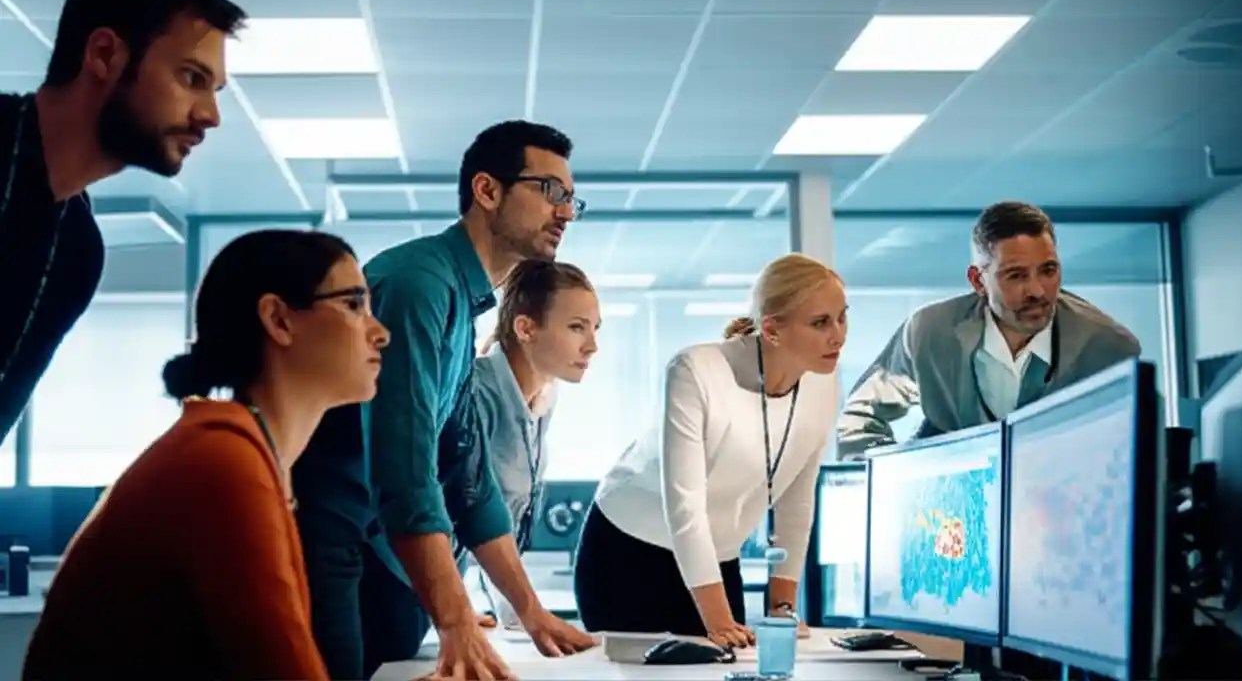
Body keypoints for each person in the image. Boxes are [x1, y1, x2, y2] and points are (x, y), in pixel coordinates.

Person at [292, 120, 597, 680]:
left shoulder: (463, 301)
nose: (567, 212)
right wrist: (453, 613)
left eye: (572, 198)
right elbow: (405, 469)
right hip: (337, 550)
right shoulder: (421, 285)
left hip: (386, 560)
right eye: (550, 191)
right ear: (487, 191)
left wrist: (531, 613)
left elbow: (464, 473)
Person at [22, 229, 389, 679]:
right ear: (279, 320)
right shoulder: (223, 462)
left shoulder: (246, 450)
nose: (380, 333)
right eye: (354, 305)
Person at [0, 0, 244, 440]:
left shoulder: (75, 253)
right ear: (105, 54)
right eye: (191, 78)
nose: (211, 115)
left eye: (214, 91)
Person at [573, 253, 848, 648]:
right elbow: (685, 506)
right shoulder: (695, 370)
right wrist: (718, 622)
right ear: (771, 330)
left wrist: (782, 609)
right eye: (821, 322)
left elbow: (796, 501)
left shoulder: (822, 379)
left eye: (842, 317)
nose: (838, 335)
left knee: (730, 664)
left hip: (717, 556)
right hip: (629, 550)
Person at [836, 200, 1141, 458]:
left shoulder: (1109, 348)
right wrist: (901, 485)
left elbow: (1124, 453)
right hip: (956, 509)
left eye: (1048, 270)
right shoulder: (929, 334)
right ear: (978, 281)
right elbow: (860, 419)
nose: (1037, 290)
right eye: (1016, 275)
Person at [471, 258, 600, 628]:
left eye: (595, 329)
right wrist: (452, 612)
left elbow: (501, 529)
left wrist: (514, 620)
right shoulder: (477, 395)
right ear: (526, 328)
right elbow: (464, 515)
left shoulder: (544, 398)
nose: (592, 346)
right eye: (577, 328)